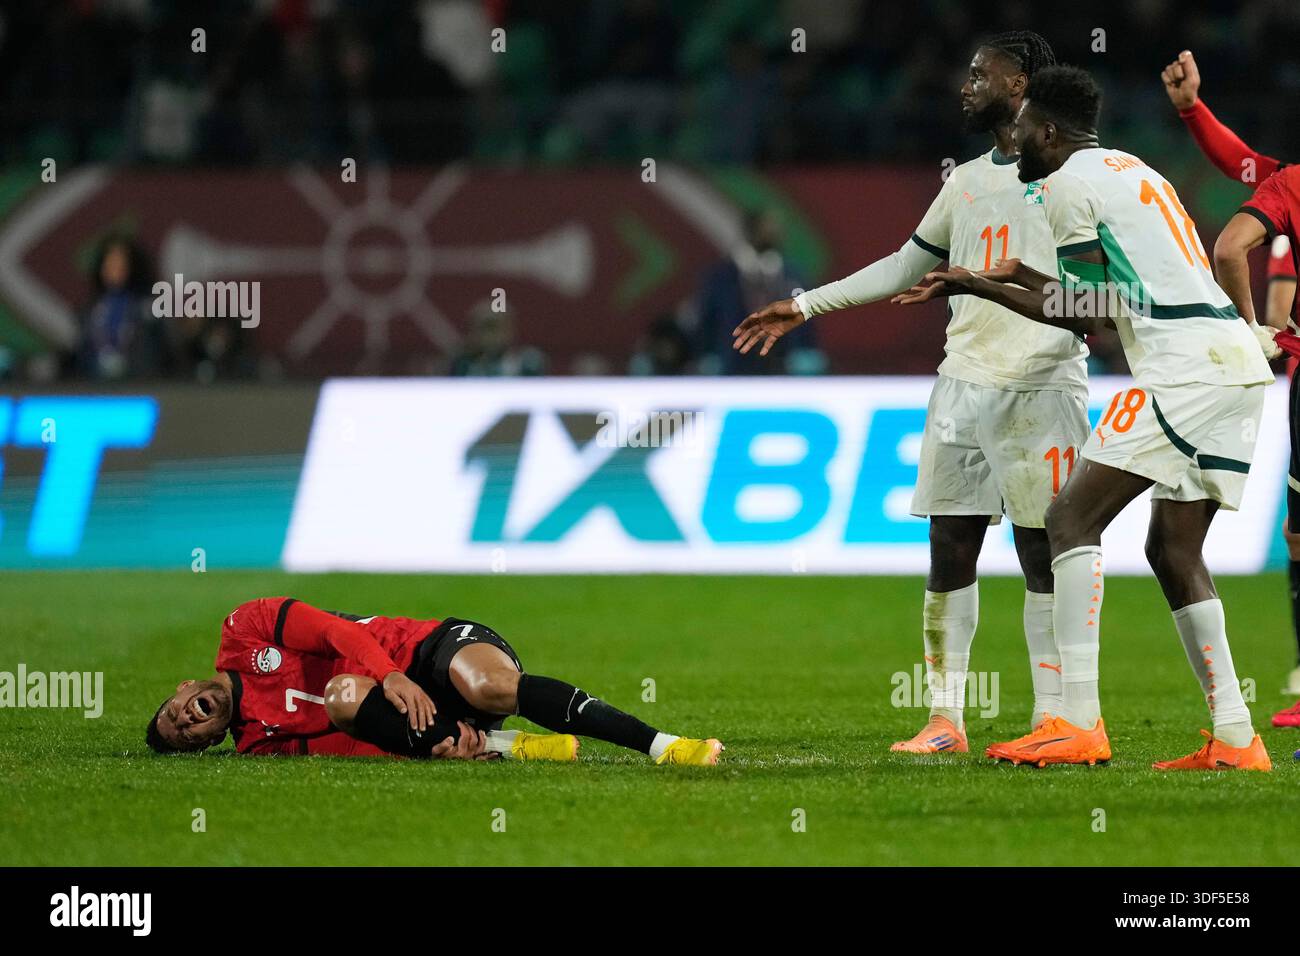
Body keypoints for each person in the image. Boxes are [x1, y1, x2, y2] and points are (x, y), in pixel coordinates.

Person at [895, 64, 1273, 771]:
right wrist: (1022, 276)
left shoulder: (1064, 185)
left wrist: (977, 283)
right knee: (1174, 550)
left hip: (1182, 370)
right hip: (1233, 366)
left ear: (1047, 132)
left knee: (1070, 519)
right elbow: (1113, 294)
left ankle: (1077, 721)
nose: (1015, 144)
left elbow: (1088, 314)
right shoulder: (1134, 169)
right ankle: (1235, 735)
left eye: (1023, 132)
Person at [733, 32, 1084, 753]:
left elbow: (1096, 288)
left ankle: (1055, 717)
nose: (966, 85)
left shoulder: (1075, 177)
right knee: (949, 546)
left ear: (1020, 86)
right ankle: (946, 720)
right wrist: (802, 305)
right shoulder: (964, 182)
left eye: (981, 73)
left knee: (1039, 553)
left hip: (1040, 388)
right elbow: (903, 266)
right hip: (962, 384)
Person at [146, 596, 722, 766]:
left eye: (174, 715)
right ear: (206, 742)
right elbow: (352, 740)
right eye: (186, 738)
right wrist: (435, 745)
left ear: (180, 689)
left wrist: (393, 674)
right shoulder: (256, 739)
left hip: (425, 650)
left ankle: (662, 745)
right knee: (345, 698)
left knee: (487, 687)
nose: (187, 723)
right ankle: (491, 745)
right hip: (412, 711)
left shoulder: (243, 631)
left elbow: (332, 634)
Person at [1162, 48, 1300, 722]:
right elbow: (1243, 162)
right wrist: (1193, 110)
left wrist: (1252, 329)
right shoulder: (1286, 180)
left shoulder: (1294, 183)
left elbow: (1228, 245)